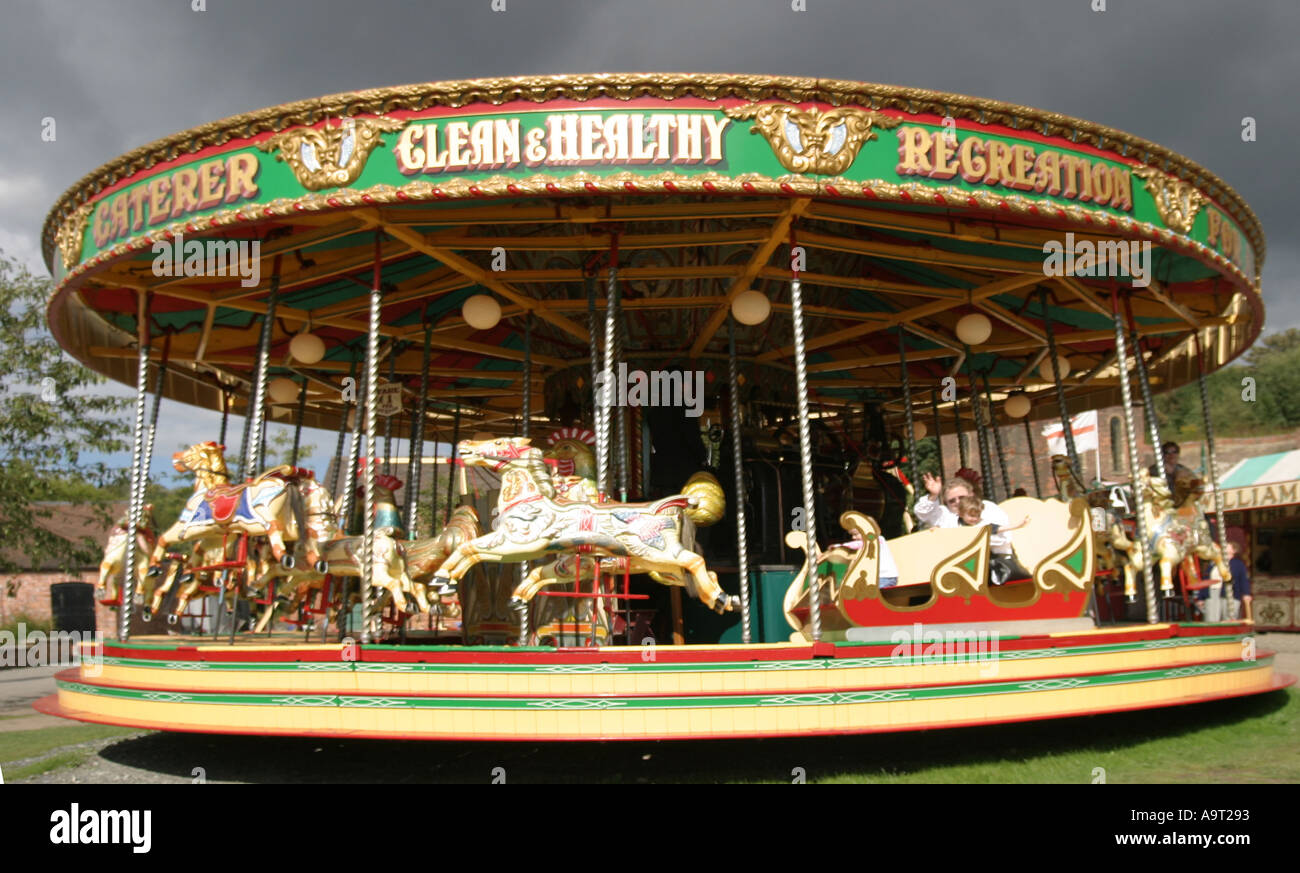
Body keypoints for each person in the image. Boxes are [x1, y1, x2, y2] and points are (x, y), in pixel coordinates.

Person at [954, 495, 1032, 584]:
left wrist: (1018, 525)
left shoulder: (981, 525)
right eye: (971, 516)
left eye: (978, 515)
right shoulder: (955, 524)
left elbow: (998, 529)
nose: (975, 519)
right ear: (961, 514)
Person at [827, 526, 900, 589]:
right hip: (879, 578)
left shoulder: (877, 539)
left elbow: (858, 544)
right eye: (852, 535)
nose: (853, 537)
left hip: (885, 577)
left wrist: (839, 546)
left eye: (855, 534)